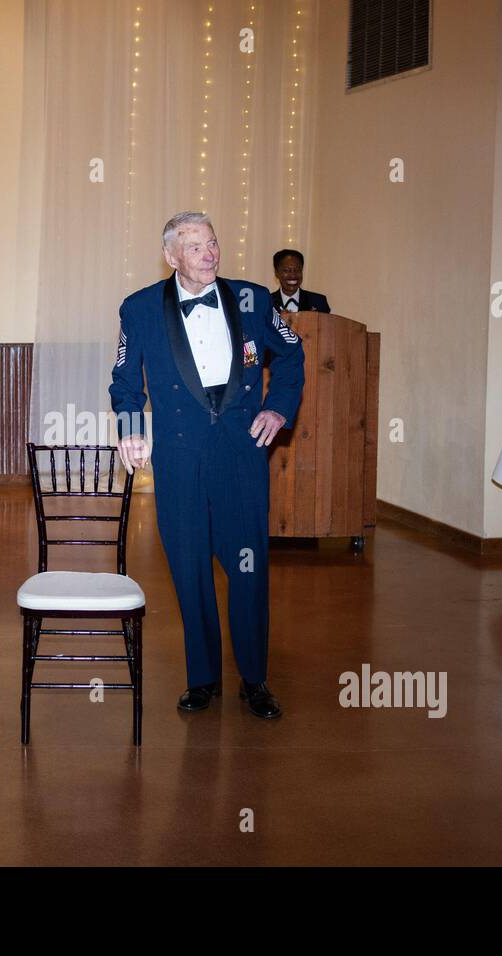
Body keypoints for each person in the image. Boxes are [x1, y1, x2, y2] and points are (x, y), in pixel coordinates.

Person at [110, 212, 305, 719]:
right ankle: (202, 677)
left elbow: (290, 354)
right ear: (171, 257)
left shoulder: (253, 298)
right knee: (190, 566)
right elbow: (125, 381)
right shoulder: (140, 308)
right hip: (179, 456)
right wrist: (131, 429)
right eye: (194, 247)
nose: (209, 254)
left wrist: (279, 406)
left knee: (249, 567)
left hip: (240, 456)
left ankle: (255, 679)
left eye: (212, 243)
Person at [271, 249, 331, 314]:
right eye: (287, 270)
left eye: (297, 270)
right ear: (276, 273)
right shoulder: (267, 302)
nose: (293, 275)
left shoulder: (318, 302)